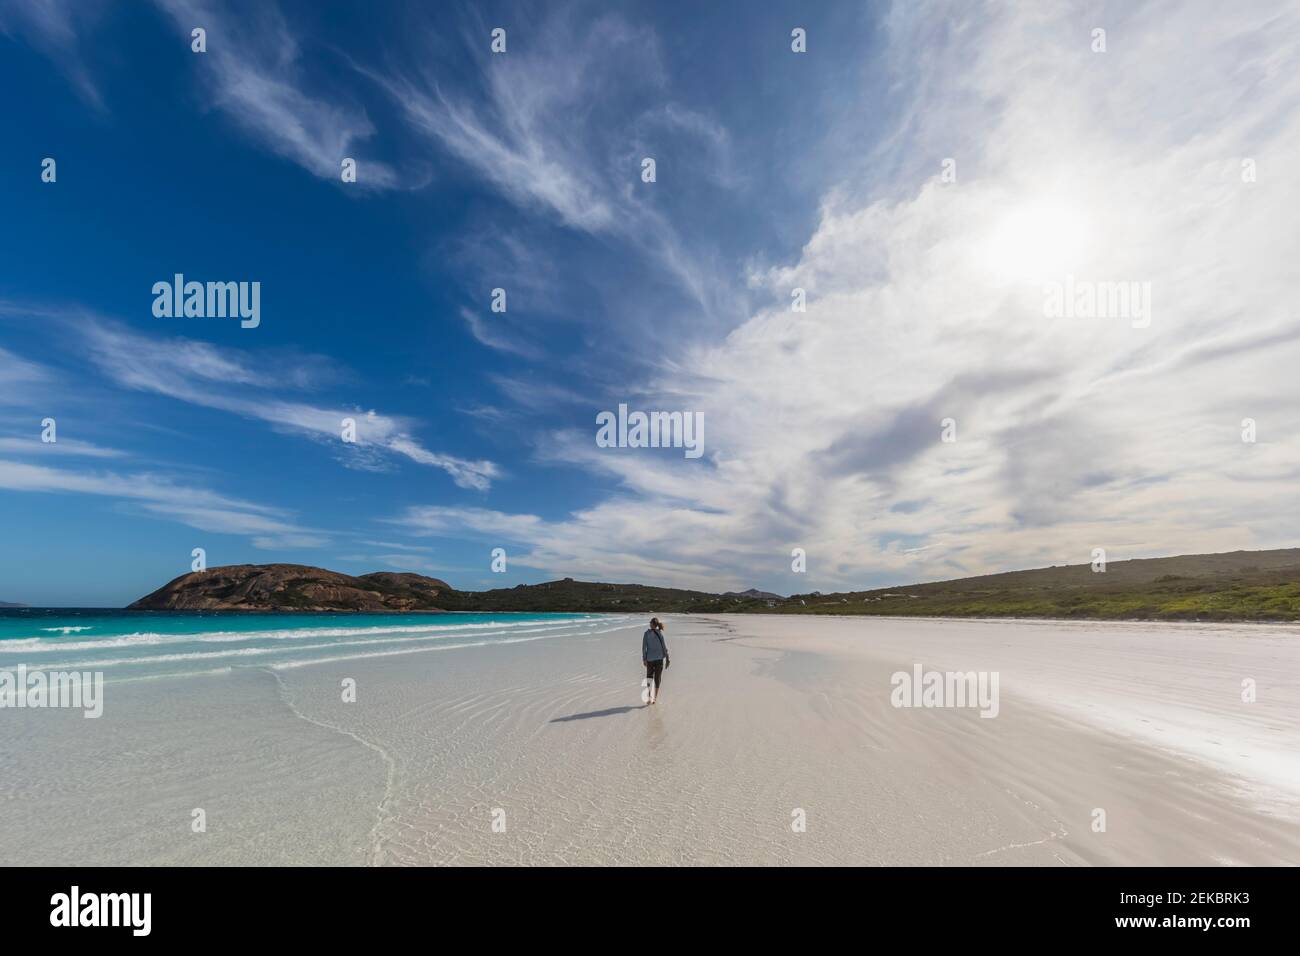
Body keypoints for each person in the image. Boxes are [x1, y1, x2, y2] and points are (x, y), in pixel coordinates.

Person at [642, 617, 670, 704]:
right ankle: (654, 698)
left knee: (649, 679)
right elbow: (664, 647)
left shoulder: (646, 634)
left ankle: (650, 697)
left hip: (650, 659)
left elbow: (644, 648)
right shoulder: (659, 633)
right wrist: (667, 658)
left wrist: (644, 659)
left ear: (652, 624)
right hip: (659, 659)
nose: (650, 624)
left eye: (650, 622)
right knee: (657, 679)